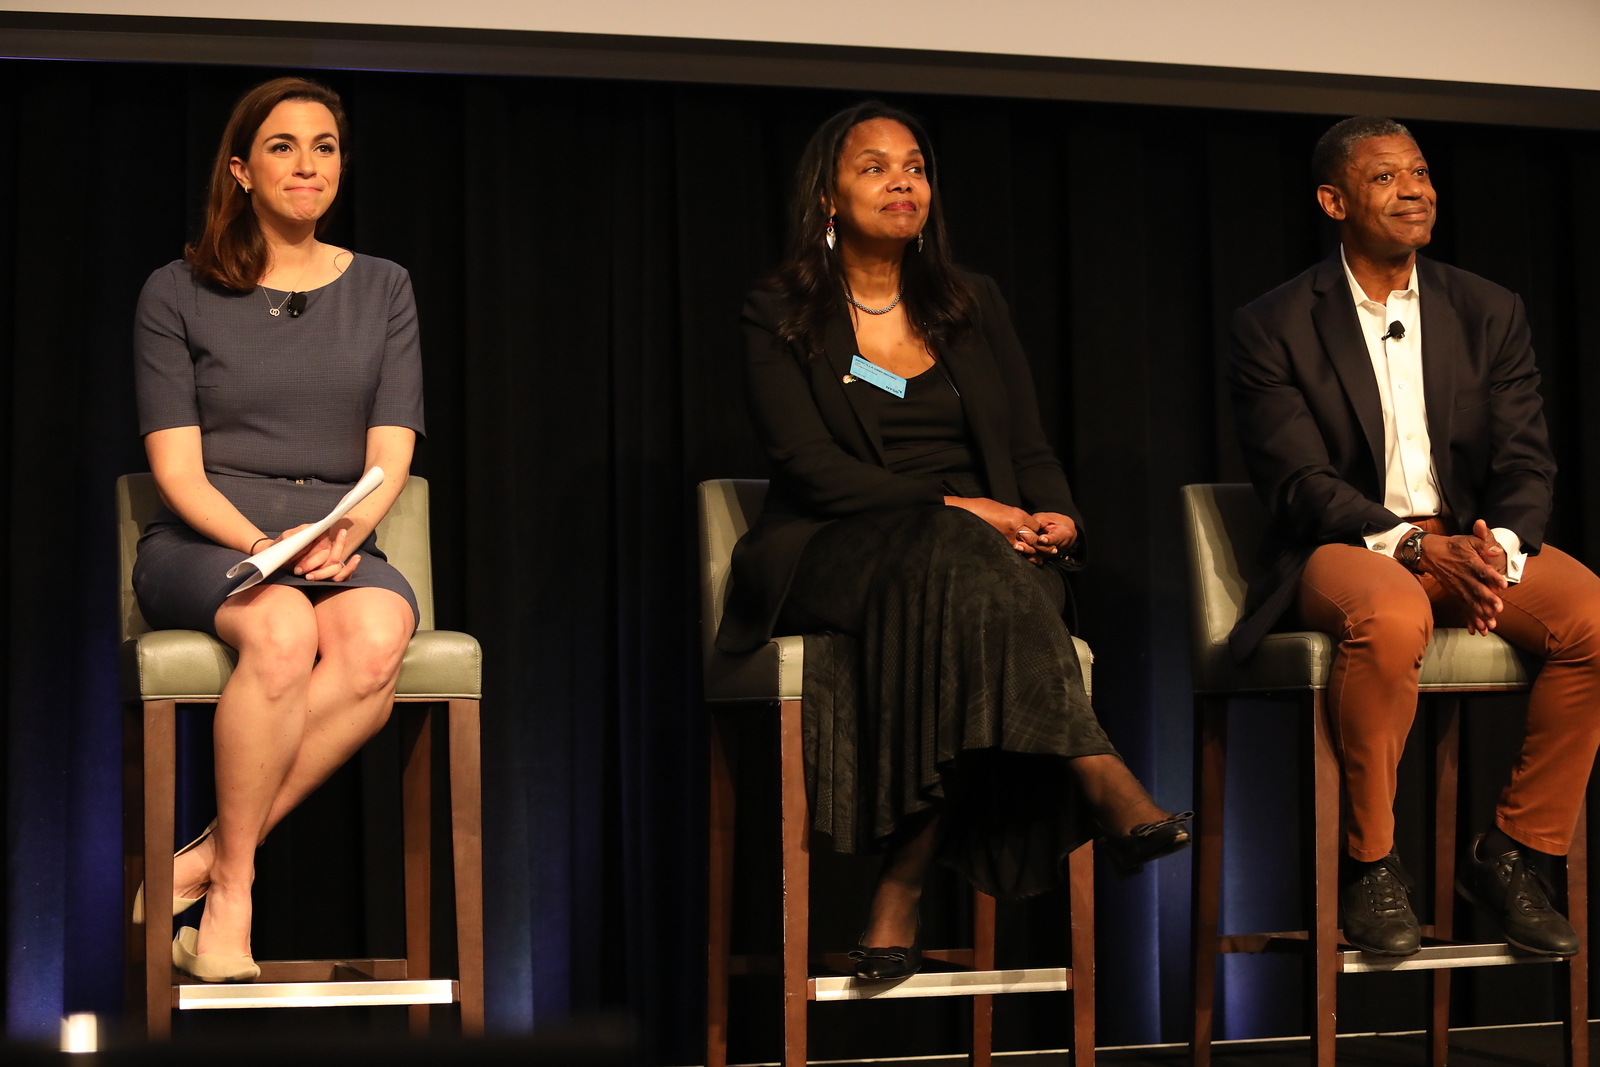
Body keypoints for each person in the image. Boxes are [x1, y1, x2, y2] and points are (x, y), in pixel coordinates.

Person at [716, 101, 1190, 980]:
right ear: (827, 195)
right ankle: (1102, 776)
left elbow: (1030, 447)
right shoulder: (779, 309)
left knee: (972, 604)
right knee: (962, 566)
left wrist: (1057, 518)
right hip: (835, 549)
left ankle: (897, 890)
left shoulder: (971, 304)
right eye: (875, 167)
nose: (903, 181)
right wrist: (960, 505)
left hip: (984, 560)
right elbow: (809, 465)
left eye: (915, 166)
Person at [1227, 115, 1599, 958]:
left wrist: (1499, 543)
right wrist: (1407, 542)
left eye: (1422, 174)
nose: (1416, 191)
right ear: (1333, 200)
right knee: (1394, 617)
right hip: (1346, 548)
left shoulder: (1486, 308)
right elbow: (1296, 480)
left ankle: (1512, 853)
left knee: (1594, 620)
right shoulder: (1274, 323)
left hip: (1468, 544)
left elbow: (1527, 455)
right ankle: (1371, 861)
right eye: (1387, 178)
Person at [131, 76, 424, 982]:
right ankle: (233, 895)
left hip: (337, 533)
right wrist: (261, 548)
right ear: (242, 170)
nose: (308, 164)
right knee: (284, 626)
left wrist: (350, 528)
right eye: (284, 146)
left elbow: (393, 445)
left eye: (325, 146)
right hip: (209, 536)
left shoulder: (383, 287)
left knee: (379, 637)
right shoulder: (175, 290)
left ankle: (199, 862)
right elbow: (177, 469)